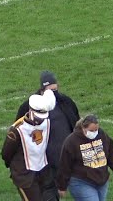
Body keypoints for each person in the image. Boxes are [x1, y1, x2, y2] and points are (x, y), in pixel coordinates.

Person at [15, 71, 82, 201]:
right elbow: (18, 131)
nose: (53, 93)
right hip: (41, 160)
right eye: (50, 90)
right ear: (42, 90)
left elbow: (76, 123)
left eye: (55, 89)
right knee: (49, 193)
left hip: (64, 156)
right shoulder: (28, 106)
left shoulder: (66, 102)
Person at [3, 90, 57, 201]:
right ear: (30, 111)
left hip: (43, 171)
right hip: (25, 176)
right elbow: (6, 153)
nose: (40, 119)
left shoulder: (47, 121)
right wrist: (16, 169)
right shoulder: (17, 130)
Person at [56, 114, 113, 201]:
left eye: (96, 130)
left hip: (102, 180)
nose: (95, 132)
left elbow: (111, 152)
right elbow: (65, 164)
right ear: (83, 128)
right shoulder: (71, 141)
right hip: (81, 181)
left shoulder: (101, 134)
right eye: (91, 130)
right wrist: (62, 186)